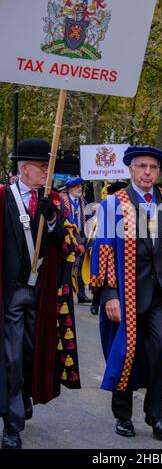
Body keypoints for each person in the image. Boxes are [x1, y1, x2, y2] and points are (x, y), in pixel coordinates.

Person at [90, 146, 162, 440]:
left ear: (159, 171)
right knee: (125, 352)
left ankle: (155, 415)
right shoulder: (113, 204)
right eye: (141, 166)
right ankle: (123, 415)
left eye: (152, 167)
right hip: (127, 293)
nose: (147, 172)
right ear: (130, 169)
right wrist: (110, 293)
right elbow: (105, 248)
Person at [0, 138, 80, 449]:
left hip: (44, 292)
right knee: (12, 354)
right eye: (43, 167)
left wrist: (55, 221)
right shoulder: (4, 197)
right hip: (12, 292)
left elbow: (67, 245)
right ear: (24, 168)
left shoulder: (54, 202)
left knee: (35, 352)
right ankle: (12, 423)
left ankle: (23, 394)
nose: (48, 172)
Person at [63, 176, 91, 303]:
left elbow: (88, 219)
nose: (80, 188)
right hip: (68, 236)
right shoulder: (63, 200)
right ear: (70, 189)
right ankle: (66, 291)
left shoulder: (83, 202)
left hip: (81, 235)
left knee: (80, 266)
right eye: (77, 186)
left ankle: (81, 294)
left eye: (81, 186)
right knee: (69, 266)